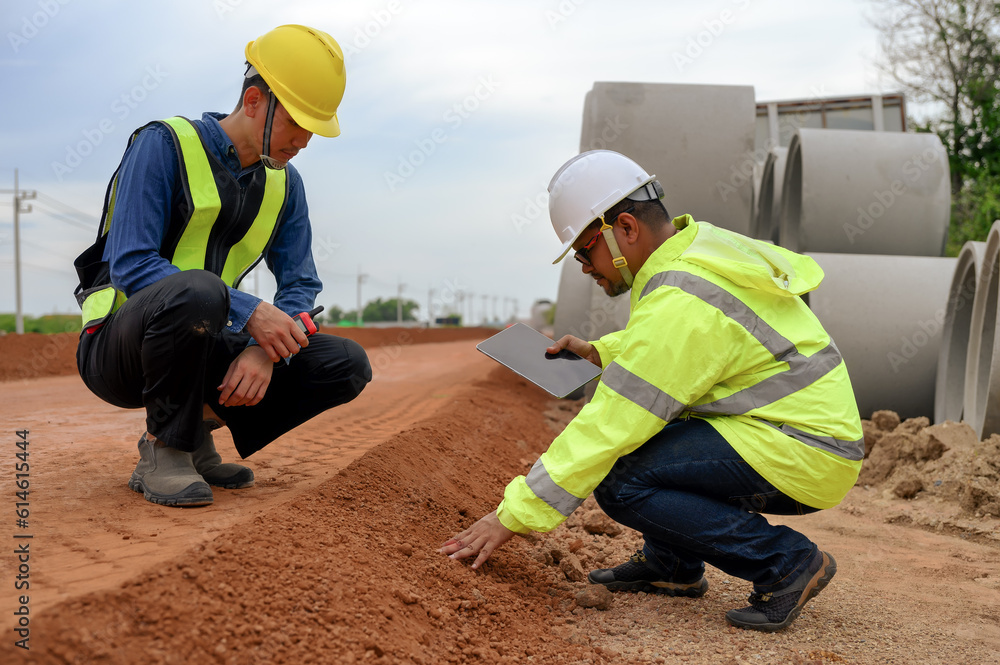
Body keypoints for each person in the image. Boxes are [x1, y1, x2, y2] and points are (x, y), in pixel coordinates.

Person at [440, 150, 863, 632]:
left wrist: (510, 517)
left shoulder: (680, 299)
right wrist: (603, 351)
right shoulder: (695, 252)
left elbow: (609, 426)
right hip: (799, 432)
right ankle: (673, 569)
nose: (583, 267)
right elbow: (690, 346)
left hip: (805, 450)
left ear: (625, 227)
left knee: (622, 475)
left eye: (584, 251)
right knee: (652, 444)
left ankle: (786, 562)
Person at [73, 25, 372, 508]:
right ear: (254, 101)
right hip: (119, 347)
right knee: (200, 290)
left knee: (345, 363)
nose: (305, 140)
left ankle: (193, 434)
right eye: (297, 121)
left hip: (207, 339)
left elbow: (301, 284)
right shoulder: (163, 144)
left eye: (315, 127)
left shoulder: (286, 185)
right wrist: (250, 311)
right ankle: (166, 447)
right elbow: (130, 263)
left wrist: (263, 350)